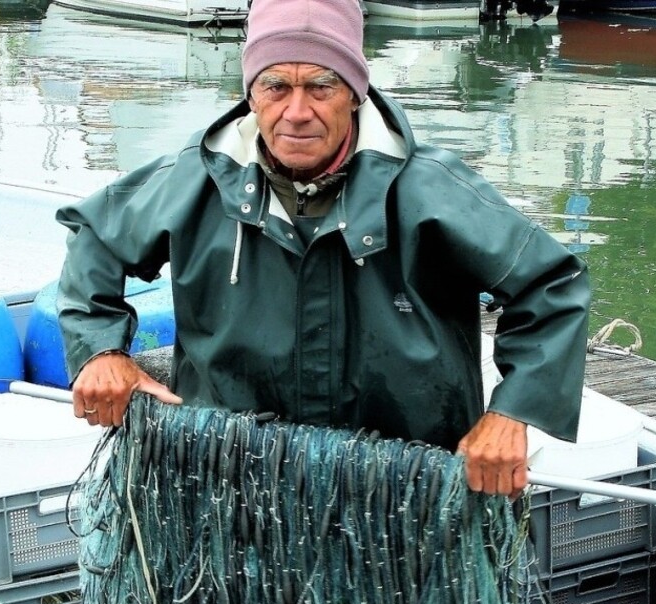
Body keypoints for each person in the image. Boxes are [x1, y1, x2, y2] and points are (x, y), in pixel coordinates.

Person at [56, 0, 589, 498]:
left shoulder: (433, 191)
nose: (296, 111)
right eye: (275, 87)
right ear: (250, 92)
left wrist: (513, 412)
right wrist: (101, 351)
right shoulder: (193, 182)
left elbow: (552, 286)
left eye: (321, 86)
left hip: (403, 487)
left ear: (355, 92)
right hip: (231, 479)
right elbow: (94, 236)